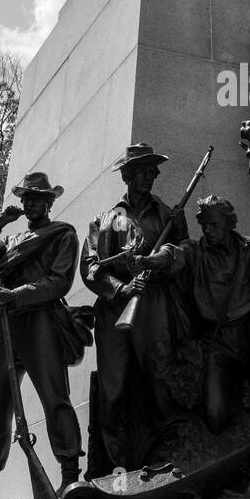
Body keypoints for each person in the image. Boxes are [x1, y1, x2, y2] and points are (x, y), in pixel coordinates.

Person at [0, 172, 83, 499]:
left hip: (41, 322)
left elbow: (59, 282)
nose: (29, 203)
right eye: (25, 197)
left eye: (37, 198)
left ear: (49, 202)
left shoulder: (62, 234)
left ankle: (69, 477)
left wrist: (16, 295)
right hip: (7, 326)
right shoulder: (10, 241)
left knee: (56, 400)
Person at [80, 143, 188, 472]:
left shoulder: (171, 215)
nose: (150, 175)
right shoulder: (106, 220)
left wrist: (167, 256)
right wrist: (121, 288)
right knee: (113, 390)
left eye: (153, 170)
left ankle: (164, 460)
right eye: (143, 169)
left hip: (155, 303)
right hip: (116, 309)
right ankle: (116, 468)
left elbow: (186, 253)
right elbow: (91, 267)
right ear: (126, 175)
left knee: (160, 382)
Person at [139, 195, 250, 434]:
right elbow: (173, 253)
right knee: (216, 415)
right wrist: (149, 260)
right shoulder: (195, 251)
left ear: (231, 223)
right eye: (203, 225)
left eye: (213, 224)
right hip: (218, 346)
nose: (207, 230)